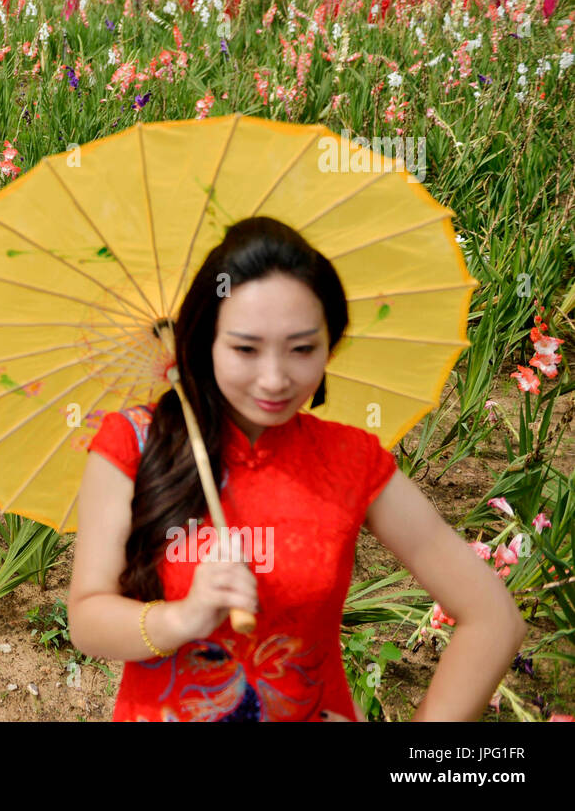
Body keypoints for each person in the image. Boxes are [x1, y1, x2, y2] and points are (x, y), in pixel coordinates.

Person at [66, 217, 527, 721]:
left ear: (331, 342)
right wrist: (184, 617)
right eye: (245, 348)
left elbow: (492, 618)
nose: (274, 378)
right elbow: (88, 619)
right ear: (205, 341)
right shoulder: (134, 442)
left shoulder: (350, 460)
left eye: (302, 348)